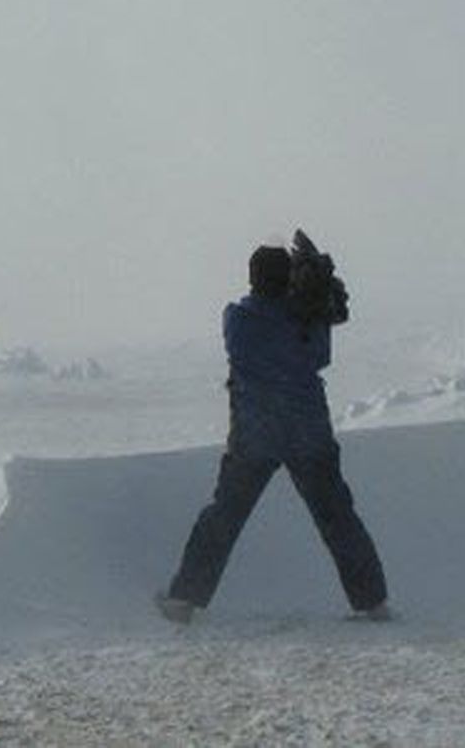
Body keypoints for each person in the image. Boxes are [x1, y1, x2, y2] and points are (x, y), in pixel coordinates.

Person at [157, 240, 389, 623]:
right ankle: (373, 603)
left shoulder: (238, 318)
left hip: (256, 436)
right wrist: (317, 299)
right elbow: (320, 356)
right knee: (337, 517)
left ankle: (184, 599)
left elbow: (247, 346)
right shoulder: (305, 320)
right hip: (308, 432)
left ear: (253, 279)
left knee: (223, 517)